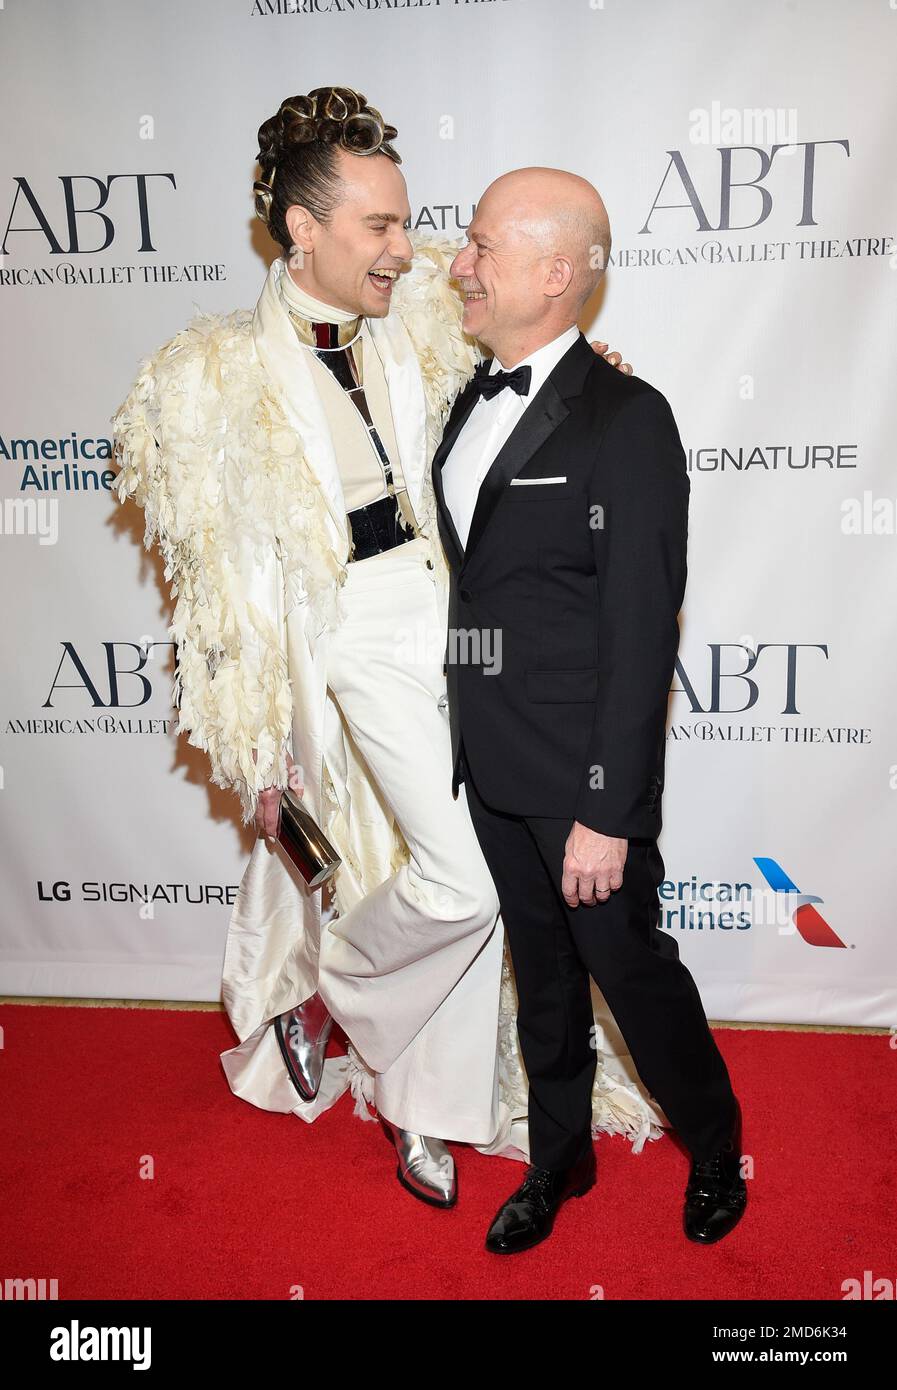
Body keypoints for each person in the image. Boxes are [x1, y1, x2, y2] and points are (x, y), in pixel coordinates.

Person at [111, 88, 638, 1209]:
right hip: (338, 628)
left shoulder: (426, 312)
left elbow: (529, 353)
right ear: (303, 230)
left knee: (458, 863)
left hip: (457, 607)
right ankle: (336, 1000)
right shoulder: (210, 375)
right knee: (464, 879)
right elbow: (215, 581)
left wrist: (594, 390)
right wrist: (257, 752)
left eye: (408, 223)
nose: (412, 250)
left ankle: (415, 1103)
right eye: (381, 229)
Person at [434, 166, 748, 1250]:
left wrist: (606, 810)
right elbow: (480, 587)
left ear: (555, 273)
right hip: (493, 769)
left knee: (629, 972)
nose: (458, 264)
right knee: (545, 984)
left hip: (586, 784)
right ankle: (559, 1159)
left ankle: (711, 1136)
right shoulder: (464, 399)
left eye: (480, 246)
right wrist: (464, 713)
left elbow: (638, 629)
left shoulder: (629, 421)